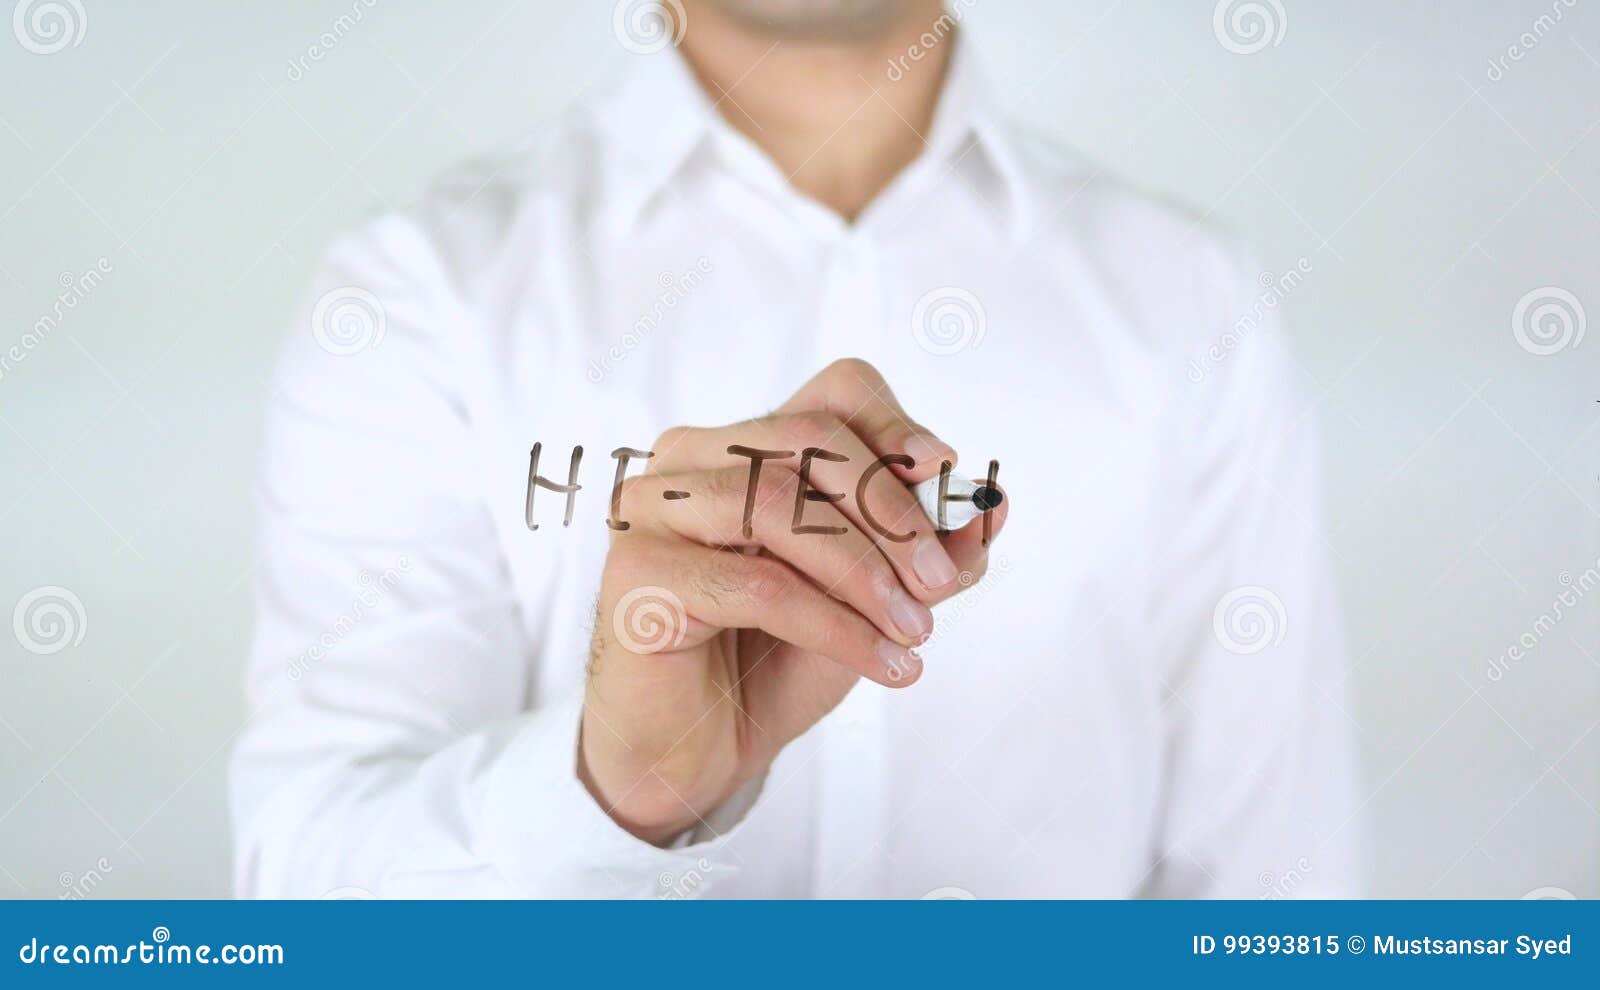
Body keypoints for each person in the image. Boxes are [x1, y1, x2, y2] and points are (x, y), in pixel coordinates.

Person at [230, 0, 1359, 898]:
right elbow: (305, 898)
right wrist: (617, 792)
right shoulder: (419, 294)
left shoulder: (1193, 303)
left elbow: (1275, 900)